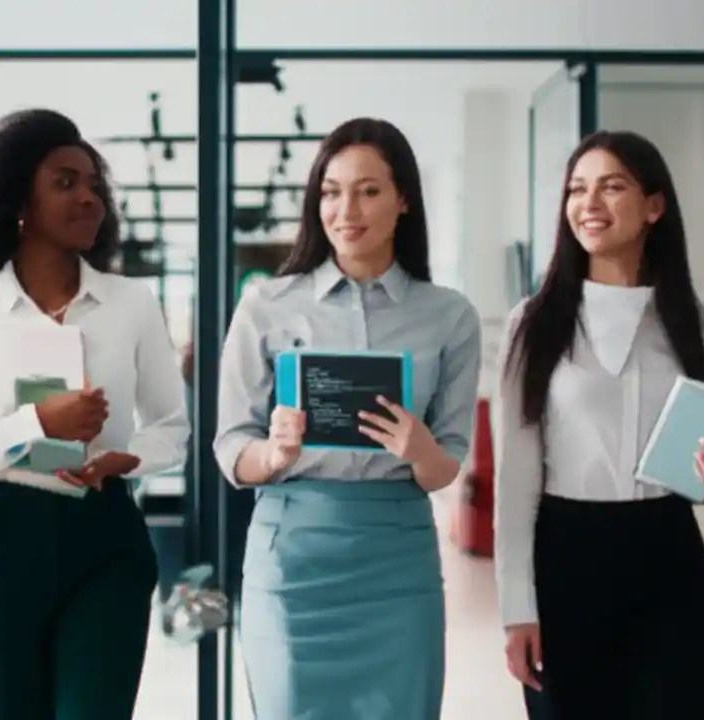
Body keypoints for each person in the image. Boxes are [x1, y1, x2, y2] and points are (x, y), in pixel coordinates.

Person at [0, 108, 189, 720]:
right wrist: (36, 424)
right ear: (18, 198)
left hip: (108, 538)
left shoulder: (131, 303)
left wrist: (131, 458)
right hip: (4, 540)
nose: (88, 197)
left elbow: (173, 427)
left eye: (94, 186)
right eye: (65, 183)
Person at [213, 117, 482, 719]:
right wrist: (275, 454)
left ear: (403, 199)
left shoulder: (450, 317)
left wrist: (419, 449)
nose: (345, 209)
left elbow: (447, 466)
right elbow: (231, 445)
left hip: (399, 558)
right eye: (330, 191)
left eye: (368, 190)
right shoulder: (266, 305)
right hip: (293, 556)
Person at [493, 130, 704, 719]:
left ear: (655, 206)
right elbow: (515, 477)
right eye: (578, 189)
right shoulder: (533, 324)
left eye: (612, 186)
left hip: (668, 560)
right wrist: (515, 608)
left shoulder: (700, 323)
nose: (590, 203)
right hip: (565, 562)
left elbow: (698, 463)